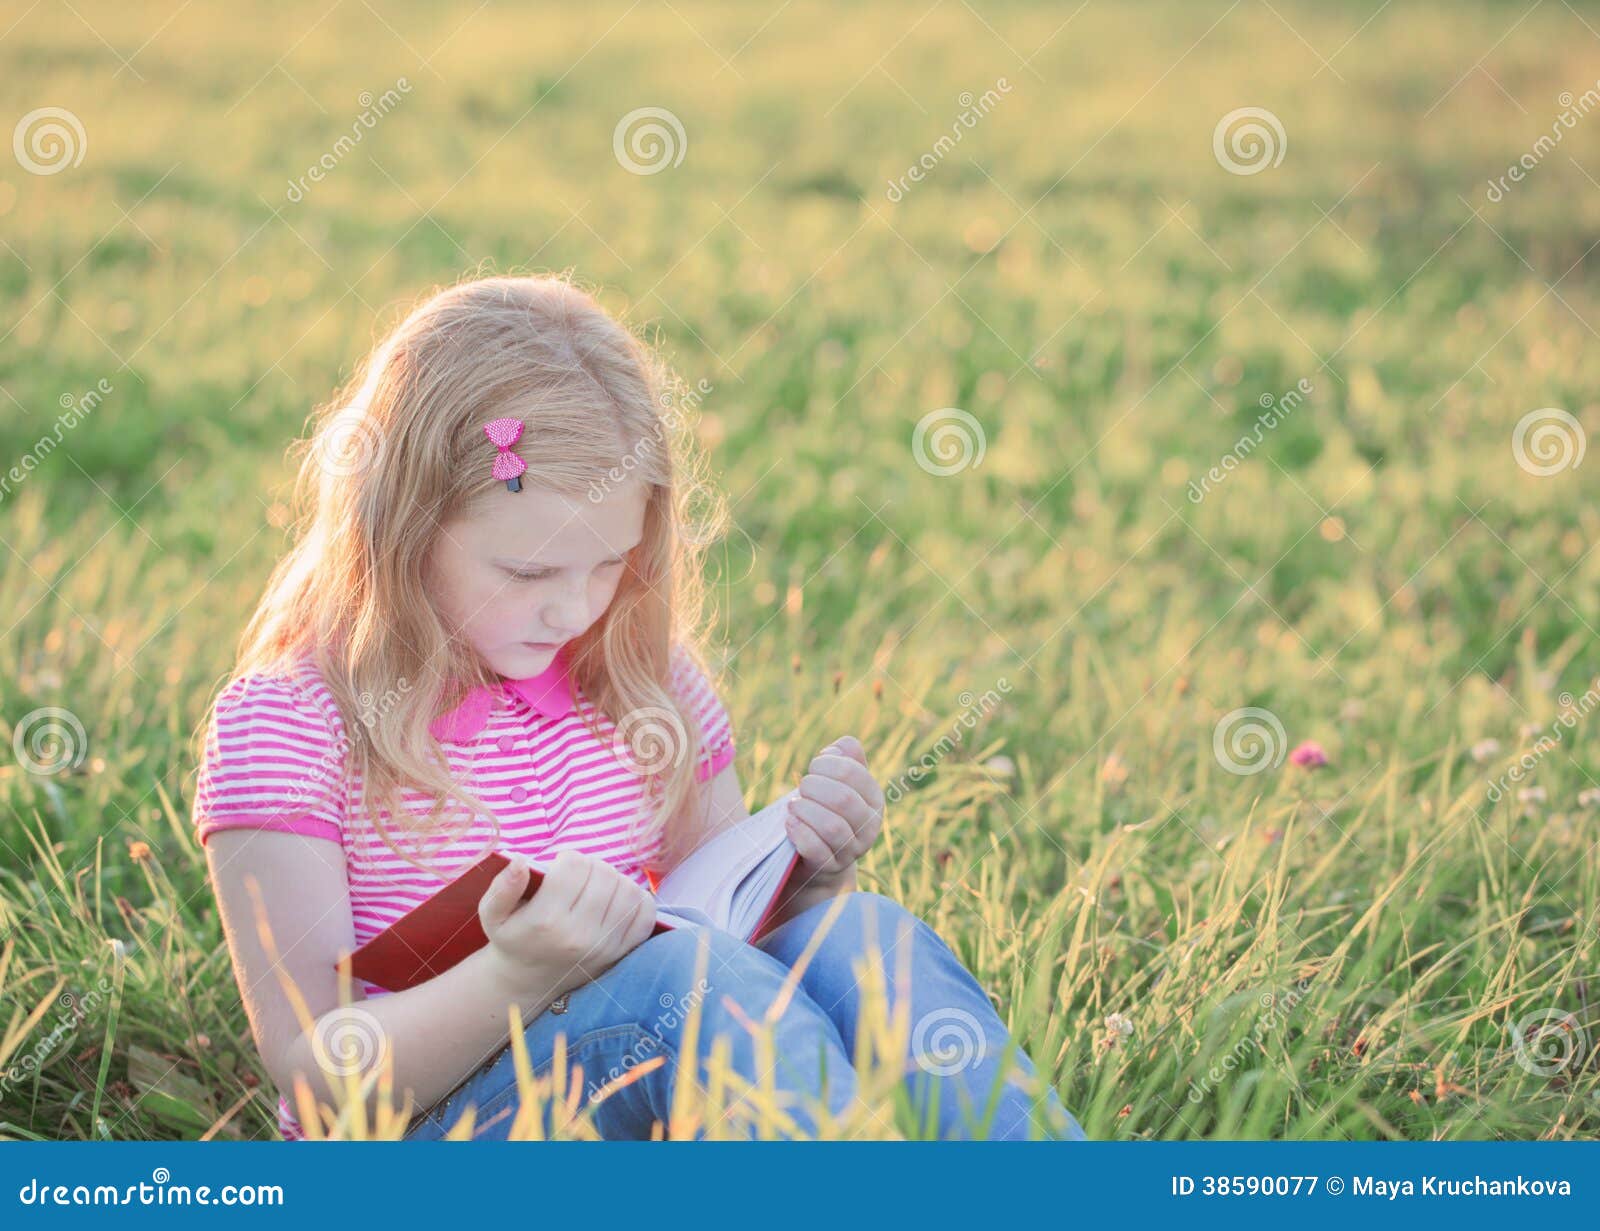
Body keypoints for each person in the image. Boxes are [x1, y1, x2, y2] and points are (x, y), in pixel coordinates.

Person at [192, 273, 1086, 1141]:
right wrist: (520, 971)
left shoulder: (639, 684)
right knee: (674, 983)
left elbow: (724, 923)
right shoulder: (292, 726)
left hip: (645, 1090)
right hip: (424, 1139)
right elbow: (315, 1070)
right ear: (402, 525)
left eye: (608, 561)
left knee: (863, 936)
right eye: (529, 570)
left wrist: (804, 877)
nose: (575, 608)